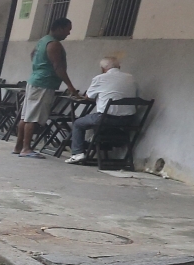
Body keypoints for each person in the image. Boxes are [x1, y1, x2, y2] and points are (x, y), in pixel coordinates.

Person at [16, 16, 77, 157]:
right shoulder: (54, 44)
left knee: (25, 116)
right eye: (68, 30)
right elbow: (58, 67)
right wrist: (70, 86)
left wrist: (39, 66)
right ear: (60, 28)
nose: (68, 33)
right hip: (44, 83)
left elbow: (32, 54)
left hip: (35, 80)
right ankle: (26, 148)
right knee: (33, 117)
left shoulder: (43, 40)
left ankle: (19, 147)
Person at [67, 55, 139, 163]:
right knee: (99, 122)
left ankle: (78, 153)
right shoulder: (131, 78)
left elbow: (89, 97)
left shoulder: (100, 78)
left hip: (105, 118)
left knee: (78, 123)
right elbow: (136, 97)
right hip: (128, 119)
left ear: (102, 69)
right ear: (119, 67)